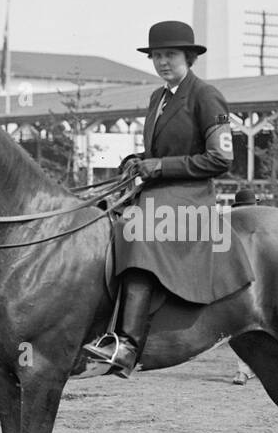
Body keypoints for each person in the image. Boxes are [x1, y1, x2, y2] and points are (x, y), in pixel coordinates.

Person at [82, 20, 251, 377]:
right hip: (158, 189)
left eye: (170, 55)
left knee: (137, 232)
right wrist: (138, 161)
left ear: (188, 57)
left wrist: (159, 166)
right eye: (156, 56)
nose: (162, 62)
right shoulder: (157, 98)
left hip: (190, 197)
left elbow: (221, 159)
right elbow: (156, 152)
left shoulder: (206, 95)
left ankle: (126, 344)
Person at [229, 188, 258, 385]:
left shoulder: (260, 225)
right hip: (240, 279)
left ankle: (250, 368)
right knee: (239, 326)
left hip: (261, 279)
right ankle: (243, 370)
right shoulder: (231, 225)